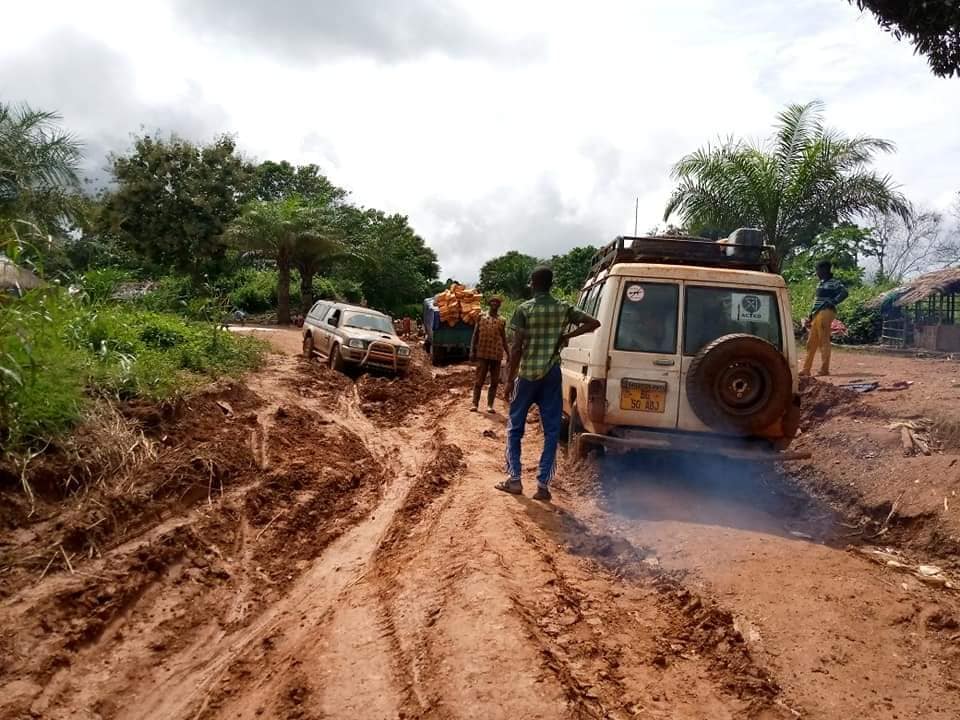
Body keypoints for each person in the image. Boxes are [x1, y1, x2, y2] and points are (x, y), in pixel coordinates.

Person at [497, 267, 601, 502]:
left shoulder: (524, 309)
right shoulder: (563, 308)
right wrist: (565, 337)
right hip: (552, 374)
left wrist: (508, 379)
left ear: (533, 284)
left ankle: (514, 479)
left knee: (515, 428)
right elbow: (593, 322)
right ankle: (543, 485)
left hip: (526, 375)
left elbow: (516, 348)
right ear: (551, 284)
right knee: (552, 430)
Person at [801, 260, 848, 377]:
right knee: (811, 342)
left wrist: (833, 302)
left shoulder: (834, 282)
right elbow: (816, 302)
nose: (817, 272)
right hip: (817, 313)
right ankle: (806, 370)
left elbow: (844, 293)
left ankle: (824, 369)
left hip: (826, 312)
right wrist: (810, 315)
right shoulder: (820, 283)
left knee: (823, 340)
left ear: (824, 270)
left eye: (818, 270)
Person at [470, 296, 510, 413]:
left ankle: (490, 405)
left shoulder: (502, 320)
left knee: (494, 382)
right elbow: (475, 335)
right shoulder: (481, 317)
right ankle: (475, 403)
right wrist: (472, 350)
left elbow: (503, 338)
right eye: (493, 301)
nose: (495, 304)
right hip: (482, 353)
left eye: (497, 302)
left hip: (496, 355)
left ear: (499, 305)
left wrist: (508, 353)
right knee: (479, 380)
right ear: (489, 303)